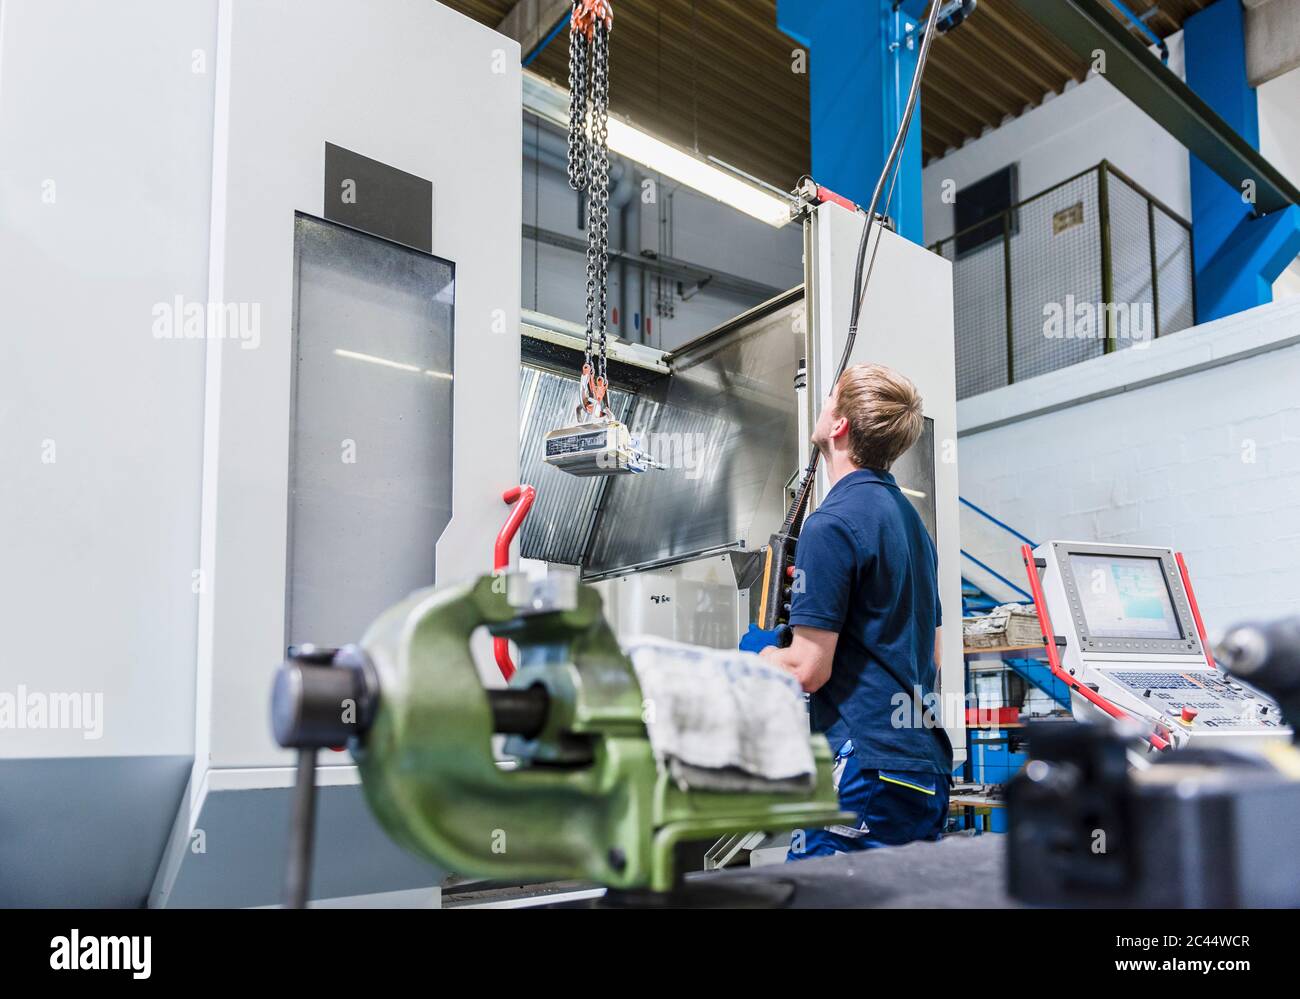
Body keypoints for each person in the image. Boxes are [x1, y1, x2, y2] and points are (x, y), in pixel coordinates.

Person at [761, 362, 951, 857]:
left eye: (828, 399)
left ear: (840, 426)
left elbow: (807, 670)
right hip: (924, 766)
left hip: (863, 765)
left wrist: (759, 655)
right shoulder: (915, 527)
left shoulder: (832, 523)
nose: (822, 407)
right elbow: (932, 658)